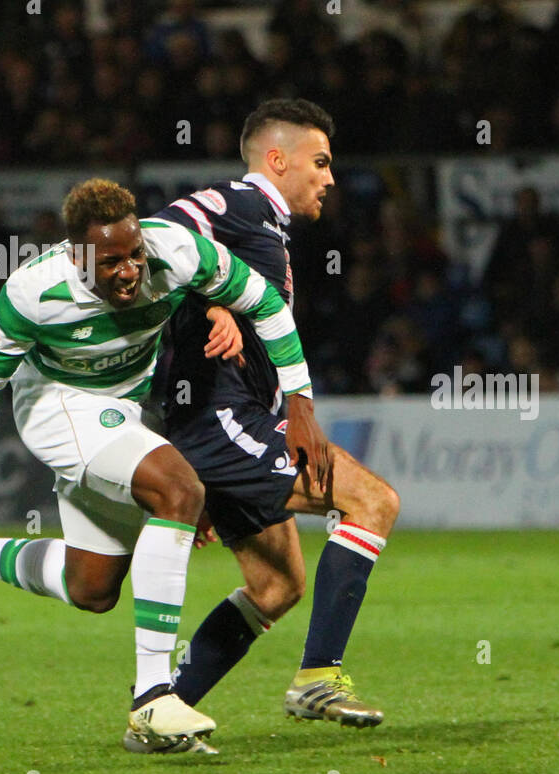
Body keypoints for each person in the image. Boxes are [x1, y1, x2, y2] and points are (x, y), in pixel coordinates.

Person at [0, 178, 328, 754]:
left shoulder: (177, 251)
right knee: (180, 490)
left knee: (93, 587)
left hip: (124, 411)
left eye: (134, 254)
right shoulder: (34, 292)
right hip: (57, 405)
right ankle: (153, 697)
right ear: (76, 256)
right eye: (111, 262)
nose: (130, 270)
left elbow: (267, 304)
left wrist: (299, 402)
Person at [153, 98, 400, 727]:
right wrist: (208, 306)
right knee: (372, 502)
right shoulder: (238, 202)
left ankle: (162, 711)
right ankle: (318, 678)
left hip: (225, 423)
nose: (329, 177)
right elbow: (156, 241)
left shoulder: (268, 230)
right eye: (319, 162)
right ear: (276, 159)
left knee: (276, 587)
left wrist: (212, 302)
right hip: (218, 416)